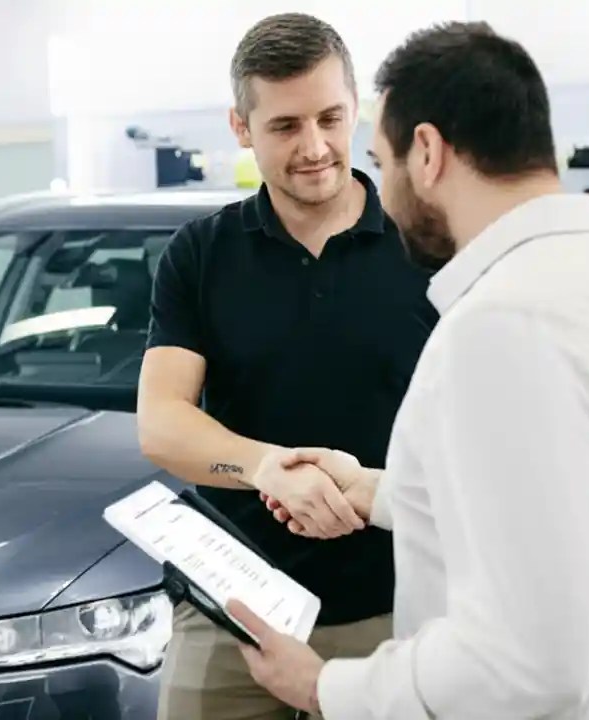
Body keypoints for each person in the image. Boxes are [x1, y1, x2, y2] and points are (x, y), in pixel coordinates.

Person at [229, 21, 589, 720]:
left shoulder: (506, 326)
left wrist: (325, 688)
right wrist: (377, 491)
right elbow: (573, 511)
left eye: (383, 157)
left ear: (426, 151)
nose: (385, 190)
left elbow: (529, 663)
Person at [136, 12, 438, 720]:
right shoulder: (201, 255)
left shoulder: (427, 240)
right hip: (235, 610)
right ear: (241, 127)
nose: (315, 147)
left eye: (331, 118)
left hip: (396, 610)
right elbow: (163, 424)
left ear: (357, 110)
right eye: (284, 126)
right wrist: (268, 467)